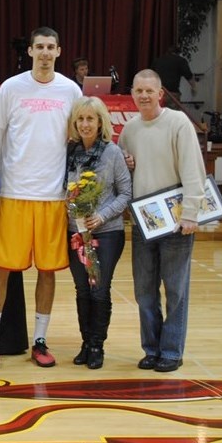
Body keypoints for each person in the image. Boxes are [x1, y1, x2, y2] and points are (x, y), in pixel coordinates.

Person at [0, 26, 82, 369]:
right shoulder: (12, 87)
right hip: (14, 193)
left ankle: (40, 340)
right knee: (2, 269)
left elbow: (81, 136)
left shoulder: (70, 89)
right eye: (38, 47)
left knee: (48, 270)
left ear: (58, 51)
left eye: (50, 47)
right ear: (29, 51)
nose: (44, 52)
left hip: (53, 196)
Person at [119, 69, 206, 373]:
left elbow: (193, 170)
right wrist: (128, 166)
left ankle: (171, 351)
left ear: (160, 94)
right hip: (145, 222)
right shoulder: (128, 130)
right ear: (132, 94)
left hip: (176, 222)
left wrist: (192, 214)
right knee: (144, 291)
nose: (143, 96)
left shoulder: (178, 123)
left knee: (176, 290)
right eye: (138, 91)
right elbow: (124, 177)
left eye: (149, 91)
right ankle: (151, 348)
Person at [64, 96, 131, 369]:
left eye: (90, 118)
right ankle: (85, 342)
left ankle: (97, 345)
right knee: (82, 290)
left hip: (107, 233)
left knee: (99, 291)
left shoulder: (112, 153)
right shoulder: (70, 152)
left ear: (100, 121)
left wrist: (101, 215)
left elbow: (126, 193)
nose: (85, 124)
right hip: (75, 234)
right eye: (80, 119)